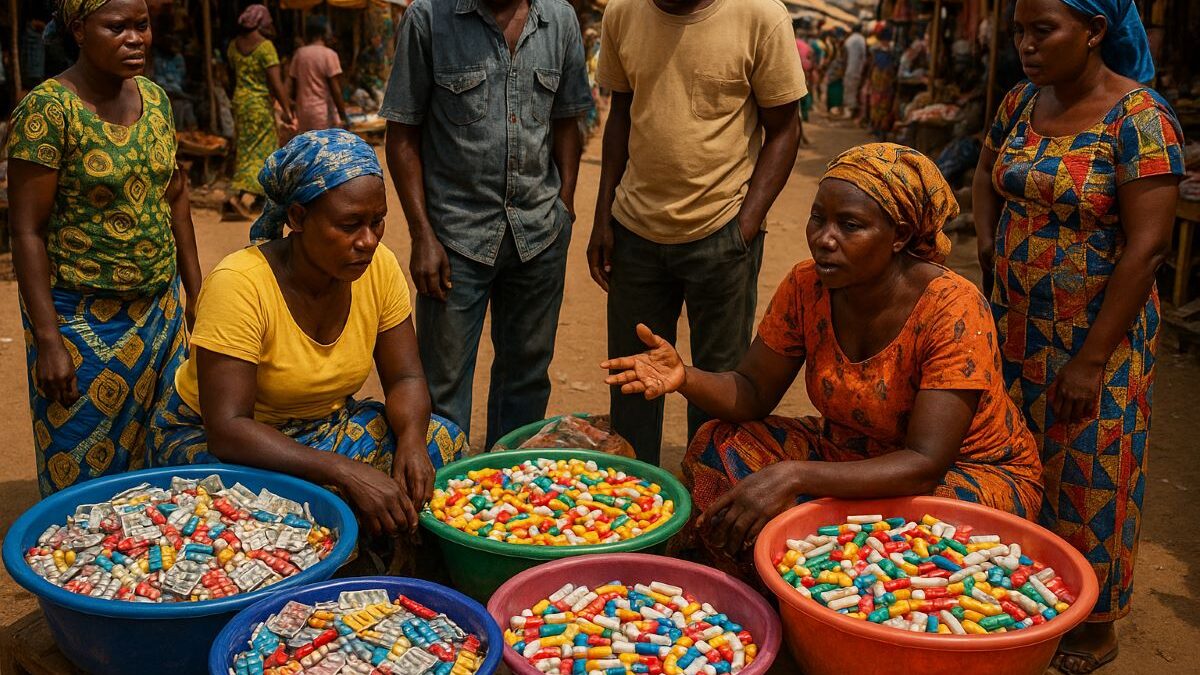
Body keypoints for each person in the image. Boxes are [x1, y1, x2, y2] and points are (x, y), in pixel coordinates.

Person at [605, 143, 1043, 566]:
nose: (825, 239)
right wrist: (685, 376)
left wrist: (795, 475)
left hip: (962, 474)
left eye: (850, 225)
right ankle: (771, 582)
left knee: (915, 536)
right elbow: (753, 390)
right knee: (719, 445)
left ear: (900, 236)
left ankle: (805, 573)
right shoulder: (806, 285)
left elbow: (924, 462)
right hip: (850, 454)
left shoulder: (952, 308)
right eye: (818, 219)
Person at [972, 0, 1183, 671]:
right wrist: (986, 249)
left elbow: (1147, 249)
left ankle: (1094, 622)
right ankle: (1027, 596)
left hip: (1099, 337)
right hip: (1014, 327)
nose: (1027, 47)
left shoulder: (1141, 119)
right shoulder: (1018, 103)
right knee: (1014, 457)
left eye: (1044, 31)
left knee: (1091, 469)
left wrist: (1091, 359)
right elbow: (985, 174)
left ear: (1093, 32)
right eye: (1020, 34)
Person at [150, 130, 467, 537]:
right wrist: (343, 469)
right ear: (297, 218)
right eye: (350, 225)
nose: (368, 241)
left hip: (322, 428)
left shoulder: (379, 268)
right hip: (222, 443)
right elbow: (229, 428)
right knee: (253, 516)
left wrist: (411, 441)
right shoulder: (240, 284)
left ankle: (381, 549)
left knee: (442, 442)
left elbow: (405, 377)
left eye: (377, 222)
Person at [589, 0, 806, 464]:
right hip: (635, 232)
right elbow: (620, 115)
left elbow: (785, 129)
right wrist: (602, 215)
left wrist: (743, 227)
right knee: (633, 384)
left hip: (722, 235)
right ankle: (637, 514)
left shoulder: (761, 16)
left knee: (718, 387)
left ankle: (705, 515)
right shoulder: (622, 13)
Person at [9, 0, 202, 496]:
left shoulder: (157, 101)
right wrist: (49, 341)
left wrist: (198, 295)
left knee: (167, 458)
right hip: (80, 320)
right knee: (81, 463)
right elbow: (27, 229)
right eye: (117, 27)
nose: (134, 38)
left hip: (159, 314)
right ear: (78, 30)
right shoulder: (47, 111)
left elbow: (175, 197)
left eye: (141, 25)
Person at [382, 0, 593, 449]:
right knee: (444, 385)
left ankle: (504, 489)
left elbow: (567, 120)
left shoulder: (560, 19)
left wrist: (565, 205)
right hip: (454, 238)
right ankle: (442, 501)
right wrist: (422, 234)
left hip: (540, 234)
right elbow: (402, 133)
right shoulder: (429, 19)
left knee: (527, 375)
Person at [227, 4, 293, 221]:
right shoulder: (265, 47)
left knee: (245, 149)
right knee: (264, 149)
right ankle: (245, 195)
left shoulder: (233, 47)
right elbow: (275, 83)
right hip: (258, 105)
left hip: (240, 103)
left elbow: (231, 79)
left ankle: (243, 194)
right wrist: (287, 110)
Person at [290, 16, 347, 133]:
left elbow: (290, 85)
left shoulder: (299, 54)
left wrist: (289, 110)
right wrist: (343, 116)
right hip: (323, 114)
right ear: (323, 34)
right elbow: (335, 90)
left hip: (303, 113)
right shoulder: (329, 54)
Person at [152, 39, 197, 130]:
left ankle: (188, 130)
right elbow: (159, 80)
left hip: (177, 89)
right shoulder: (159, 60)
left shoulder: (178, 58)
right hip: (164, 90)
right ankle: (176, 130)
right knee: (180, 103)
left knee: (186, 105)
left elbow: (180, 76)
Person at [864, 25, 898, 137]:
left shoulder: (891, 52)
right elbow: (871, 66)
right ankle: (876, 127)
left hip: (885, 83)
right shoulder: (877, 51)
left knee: (883, 106)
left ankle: (880, 128)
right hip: (878, 81)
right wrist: (869, 81)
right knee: (876, 106)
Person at [842, 25, 867, 119]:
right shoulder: (862, 39)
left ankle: (849, 111)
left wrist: (844, 68)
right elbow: (863, 56)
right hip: (858, 69)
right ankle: (851, 112)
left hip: (849, 68)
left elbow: (845, 56)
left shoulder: (849, 40)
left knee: (848, 90)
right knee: (854, 90)